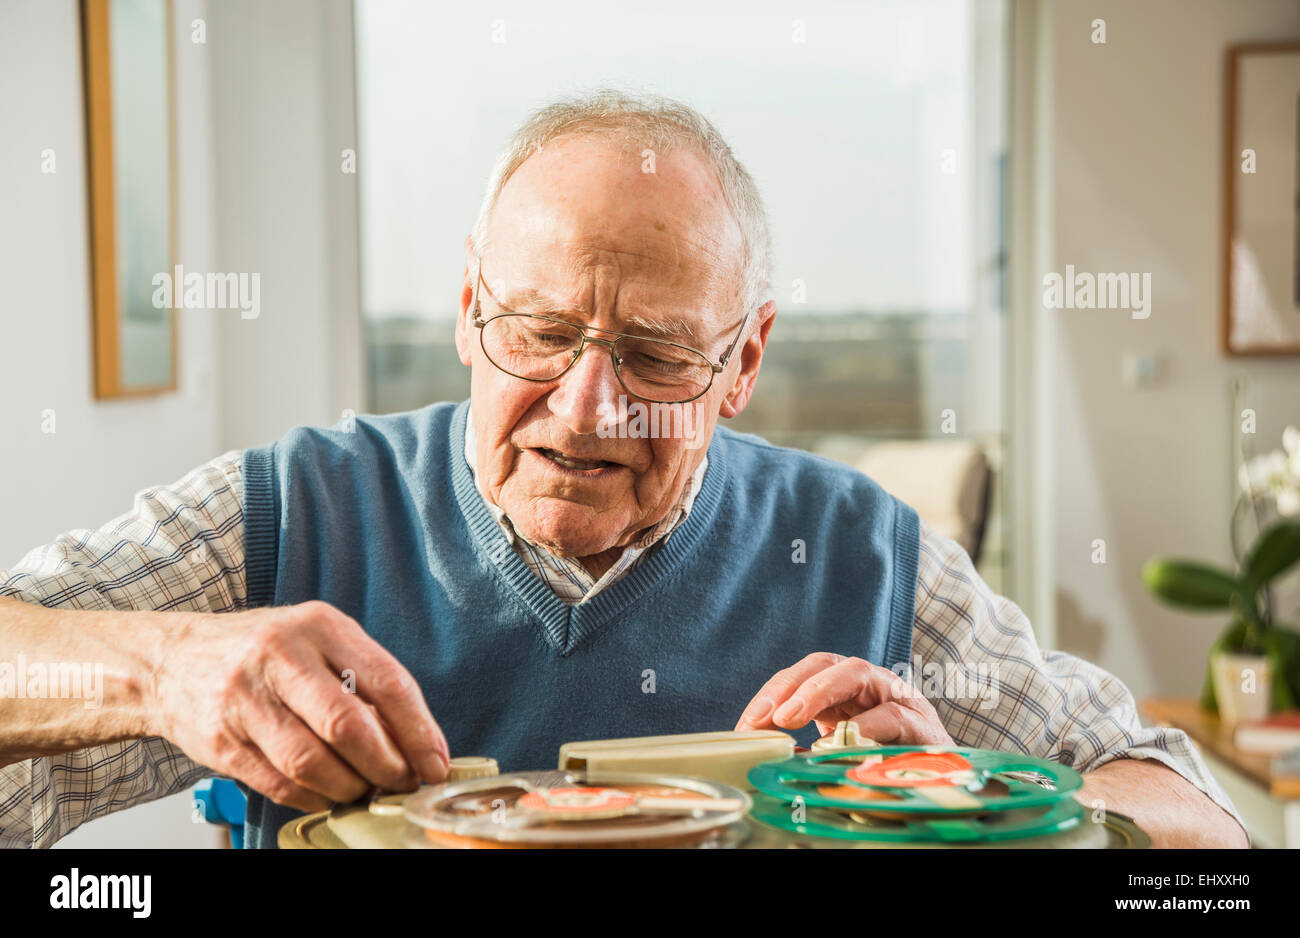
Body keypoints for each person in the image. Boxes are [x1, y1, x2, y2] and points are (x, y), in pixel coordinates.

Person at [0, 91, 1246, 848]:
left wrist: (977, 804)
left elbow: (1199, 816)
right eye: (536, 333)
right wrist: (160, 664)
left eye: (654, 354)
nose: (588, 409)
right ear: (467, 307)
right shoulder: (286, 517)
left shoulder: (870, 552)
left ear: (744, 357)